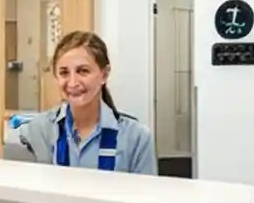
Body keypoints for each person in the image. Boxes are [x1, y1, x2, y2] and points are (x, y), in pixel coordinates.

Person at [18, 31, 157, 175]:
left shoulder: (136, 138)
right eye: (64, 73)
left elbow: (145, 190)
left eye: (83, 71)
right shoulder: (38, 131)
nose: (73, 83)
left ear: (104, 75)